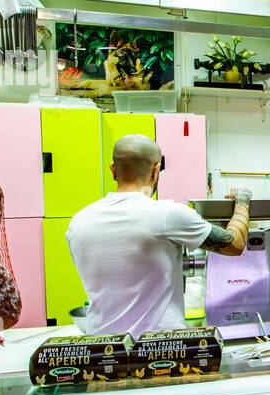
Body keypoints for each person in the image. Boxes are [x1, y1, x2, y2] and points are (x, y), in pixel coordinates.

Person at [67, 135, 249, 336]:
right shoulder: (168, 215)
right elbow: (236, 244)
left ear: (112, 169)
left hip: (103, 347)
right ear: (155, 171)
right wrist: (242, 201)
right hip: (160, 346)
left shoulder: (79, 222)